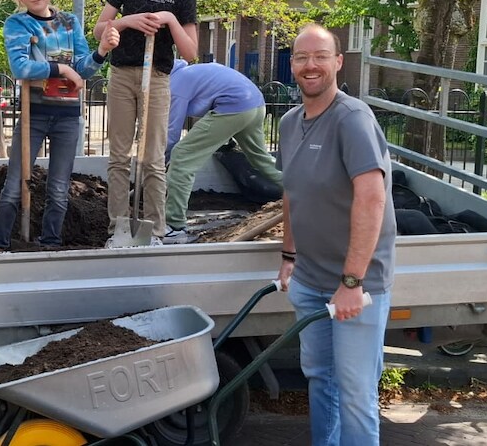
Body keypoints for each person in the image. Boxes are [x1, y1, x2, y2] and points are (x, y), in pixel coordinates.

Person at [275, 25, 396, 446]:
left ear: (338, 62)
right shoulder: (291, 123)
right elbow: (292, 193)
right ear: (291, 64)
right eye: (302, 57)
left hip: (355, 287)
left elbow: (371, 200)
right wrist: (289, 256)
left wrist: (351, 282)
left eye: (321, 56)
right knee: (320, 379)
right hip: (309, 279)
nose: (311, 65)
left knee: (355, 391)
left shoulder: (353, 119)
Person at [0, 0, 119, 252]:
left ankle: (51, 245)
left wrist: (101, 51)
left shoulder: (69, 22)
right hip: (35, 115)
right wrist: (62, 69)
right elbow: (20, 68)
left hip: (68, 116)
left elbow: (83, 68)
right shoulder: (18, 23)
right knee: (15, 184)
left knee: (59, 188)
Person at [93, 0, 199, 238]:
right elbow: (98, 28)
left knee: (153, 159)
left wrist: (169, 18)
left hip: (158, 78)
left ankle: (155, 230)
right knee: (119, 157)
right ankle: (119, 229)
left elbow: (191, 52)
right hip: (123, 75)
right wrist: (126, 22)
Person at [162, 59, 282, 243]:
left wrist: (160, 162)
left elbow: (172, 131)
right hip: (255, 104)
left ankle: (174, 227)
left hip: (234, 106)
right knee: (261, 160)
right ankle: (302, 190)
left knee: (182, 157)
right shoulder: (192, 72)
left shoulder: (175, 83)